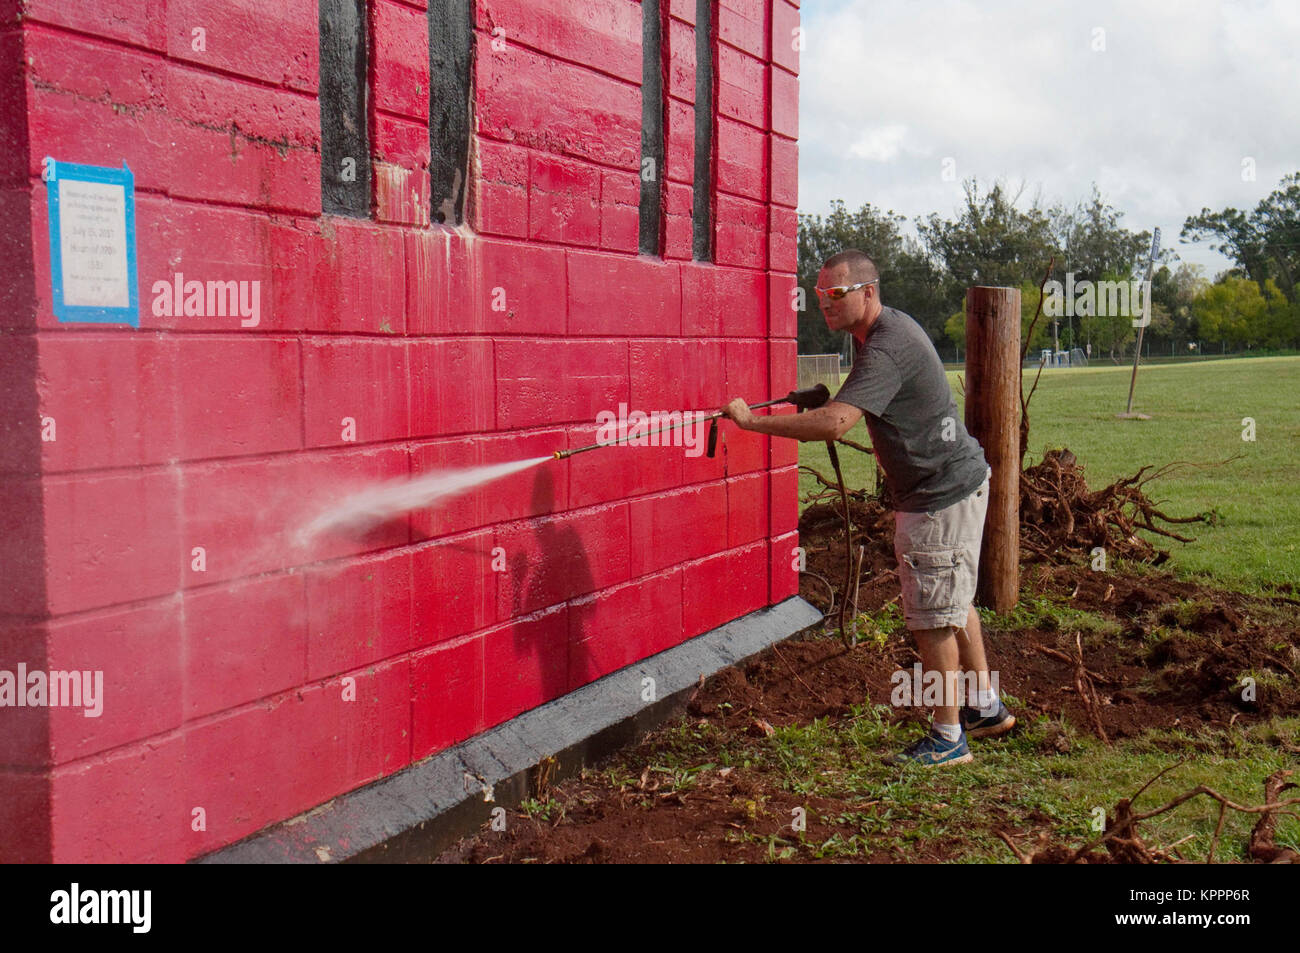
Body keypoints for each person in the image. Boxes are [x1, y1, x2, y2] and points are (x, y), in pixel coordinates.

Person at [720, 249, 1014, 766]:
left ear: (868, 292)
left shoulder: (885, 345)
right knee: (953, 599)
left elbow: (835, 424)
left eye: (836, 293)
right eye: (820, 295)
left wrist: (751, 423)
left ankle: (948, 738)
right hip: (956, 485)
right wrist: (821, 401)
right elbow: (854, 403)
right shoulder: (879, 334)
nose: (825, 304)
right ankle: (984, 708)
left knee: (932, 618)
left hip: (938, 497)